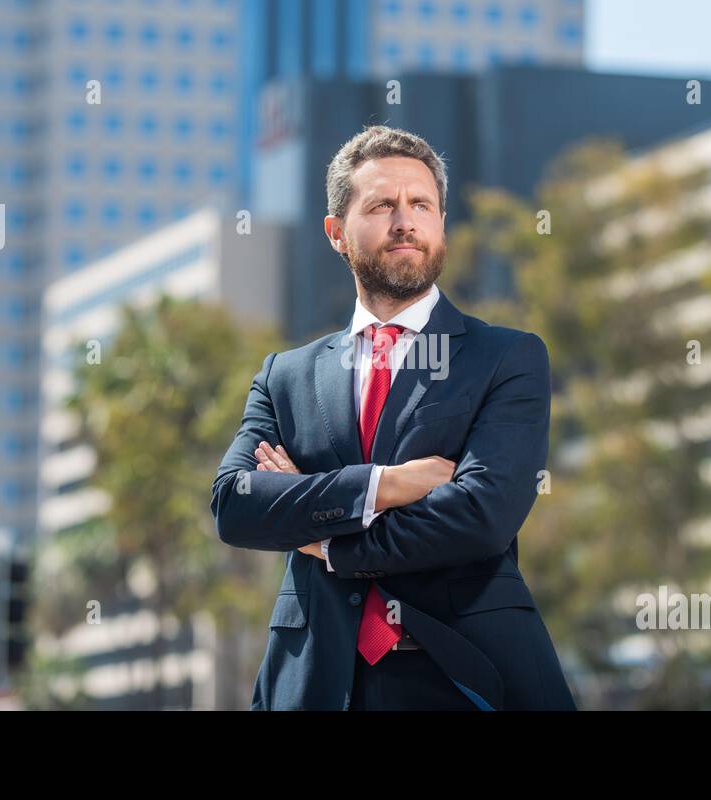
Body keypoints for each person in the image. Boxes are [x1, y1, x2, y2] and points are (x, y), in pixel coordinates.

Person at [211, 125, 575, 711]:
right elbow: (236, 504)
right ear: (336, 233)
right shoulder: (286, 375)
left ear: (441, 223)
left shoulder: (506, 357)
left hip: (466, 677)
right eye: (382, 205)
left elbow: (481, 516)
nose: (405, 220)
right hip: (313, 683)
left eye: (422, 205)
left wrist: (324, 536)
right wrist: (387, 484)